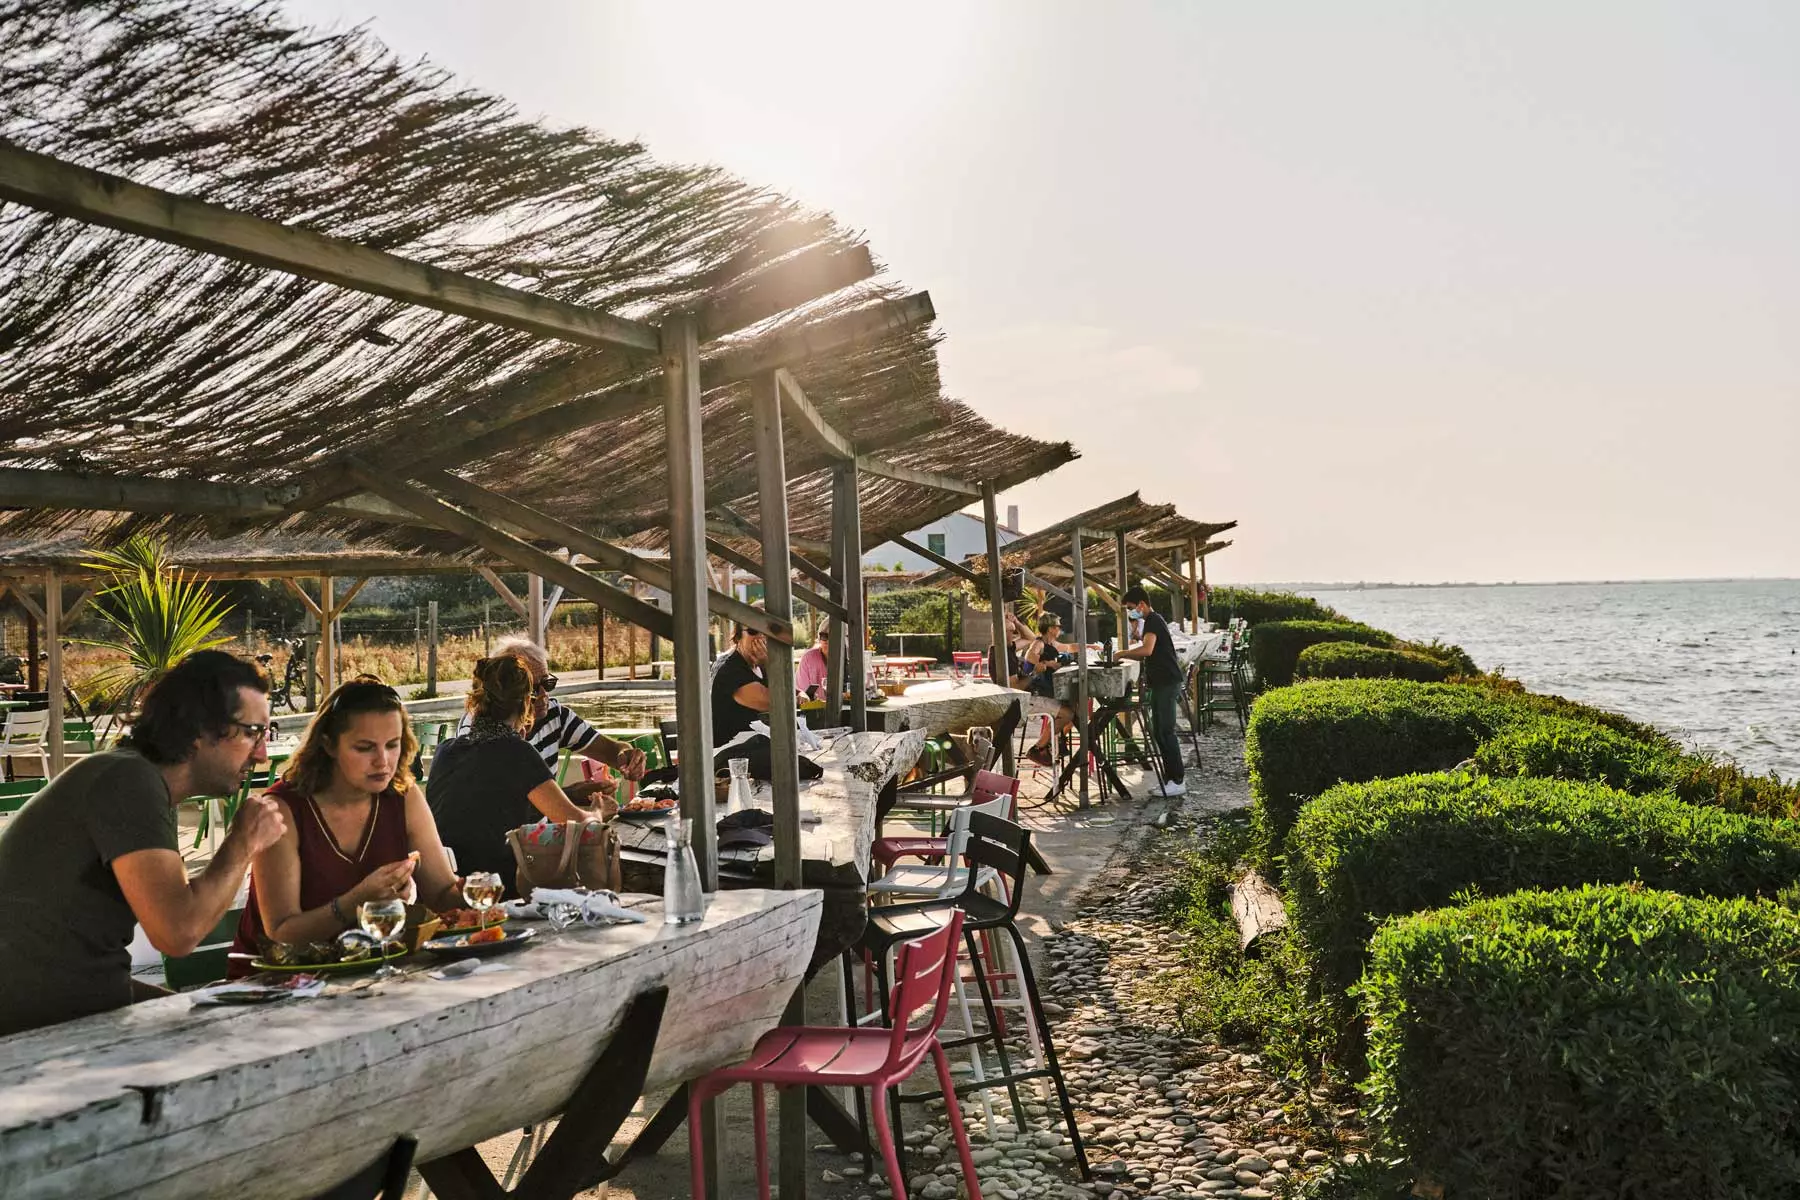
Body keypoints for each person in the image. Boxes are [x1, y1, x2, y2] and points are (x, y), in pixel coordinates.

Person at [0, 650, 286, 1036]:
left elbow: (88, 977)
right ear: (200, 730)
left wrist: (189, 1003)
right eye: (252, 732)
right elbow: (177, 933)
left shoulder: (132, 777)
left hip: (57, 1021)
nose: (263, 753)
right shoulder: (128, 781)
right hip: (29, 1045)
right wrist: (242, 842)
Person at [228, 677, 463, 976]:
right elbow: (282, 932)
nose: (383, 761)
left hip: (364, 977)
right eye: (365, 748)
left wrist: (511, 879)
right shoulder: (284, 809)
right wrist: (357, 900)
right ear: (328, 744)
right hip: (271, 986)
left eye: (393, 745)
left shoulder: (403, 796)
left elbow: (441, 895)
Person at [430, 654, 612, 898]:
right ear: (527, 703)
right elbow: (580, 827)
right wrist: (599, 812)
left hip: (448, 889)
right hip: (499, 889)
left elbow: (486, 807)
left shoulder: (446, 750)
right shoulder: (515, 750)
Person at [455, 636, 645, 804]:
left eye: (548, 683)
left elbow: (609, 750)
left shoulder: (554, 714)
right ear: (505, 690)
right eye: (532, 689)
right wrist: (570, 795)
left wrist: (626, 755)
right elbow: (496, 804)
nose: (544, 695)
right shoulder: (478, 730)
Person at [1117, 586, 1187, 797]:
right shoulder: (1151, 621)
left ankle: (1178, 780)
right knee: (1158, 731)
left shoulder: (1153, 621)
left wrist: (1123, 653)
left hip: (1167, 682)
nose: (1131, 612)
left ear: (1141, 604)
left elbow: (1147, 650)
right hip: (1161, 683)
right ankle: (1168, 779)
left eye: (1131, 608)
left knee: (1166, 731)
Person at [1023, 614, 1100, 766]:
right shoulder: (1039, 643)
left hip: (1053, 690)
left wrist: (1089, 646)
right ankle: (1039, 747)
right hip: (1040, 692)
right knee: (1071, 713)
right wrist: (1049, 663)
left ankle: (1057, 740)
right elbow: (1029, 655)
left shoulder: (1053, 643)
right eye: (1058, 626)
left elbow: (1071, 647)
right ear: (1051, 628)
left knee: (1078, 710)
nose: (1060, 628)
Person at [712, 622, 773, 745]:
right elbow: (774, 703)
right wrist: (770, 665)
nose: (761, 637)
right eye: (753, 631)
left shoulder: (761, 667)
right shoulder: (731, 671)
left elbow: (788, 694)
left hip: (756, 745)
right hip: (730, 753)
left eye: (767, 631)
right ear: (738, 637)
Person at [796, 622, 830, 701]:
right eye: (824, 636)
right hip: (816, 710)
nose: (827, 641)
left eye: (834, 636)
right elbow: (802, 692)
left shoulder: (851, 659)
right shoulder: (808, 658)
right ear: (819, 639)